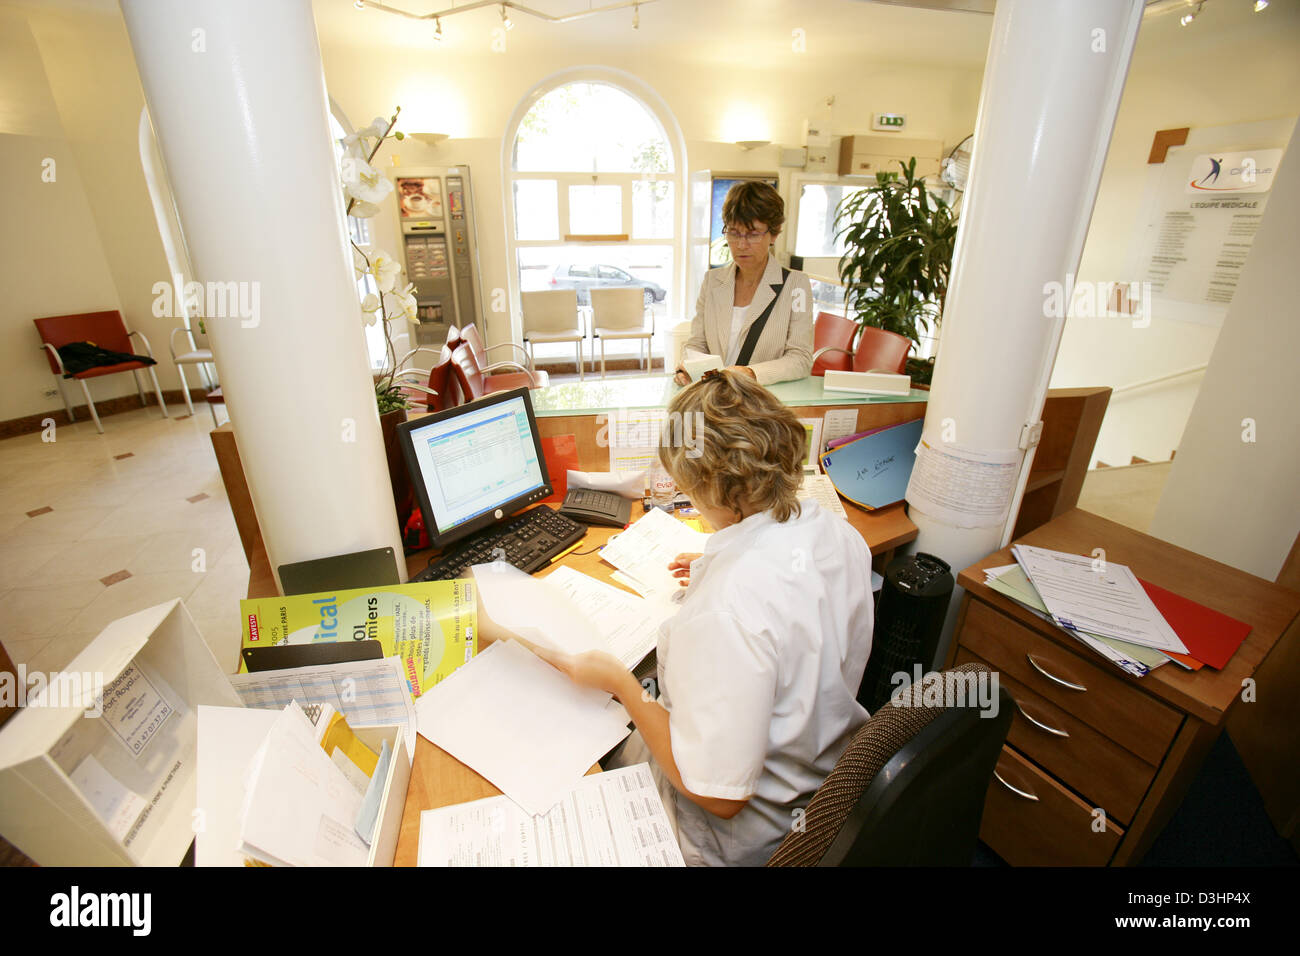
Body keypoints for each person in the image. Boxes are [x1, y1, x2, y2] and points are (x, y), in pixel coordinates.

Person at [539, 370, 875, 866]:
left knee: (566, 746)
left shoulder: (729, 609)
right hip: (818, 782)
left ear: (713, 489)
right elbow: (783, 584)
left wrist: (623, 687)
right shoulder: (836, 532)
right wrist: (719, 559)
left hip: (734, 836)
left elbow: (720, 797)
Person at [674, 181, 814, 387]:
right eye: (733, 232)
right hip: (714, 400)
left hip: (761, 402)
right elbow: (696, 344)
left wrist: (750, 373)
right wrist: (687, 368)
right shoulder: (712, 281)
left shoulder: (796, 286)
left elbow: (800, 359)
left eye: (753, 234)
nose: (741, 245)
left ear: (774, 233)